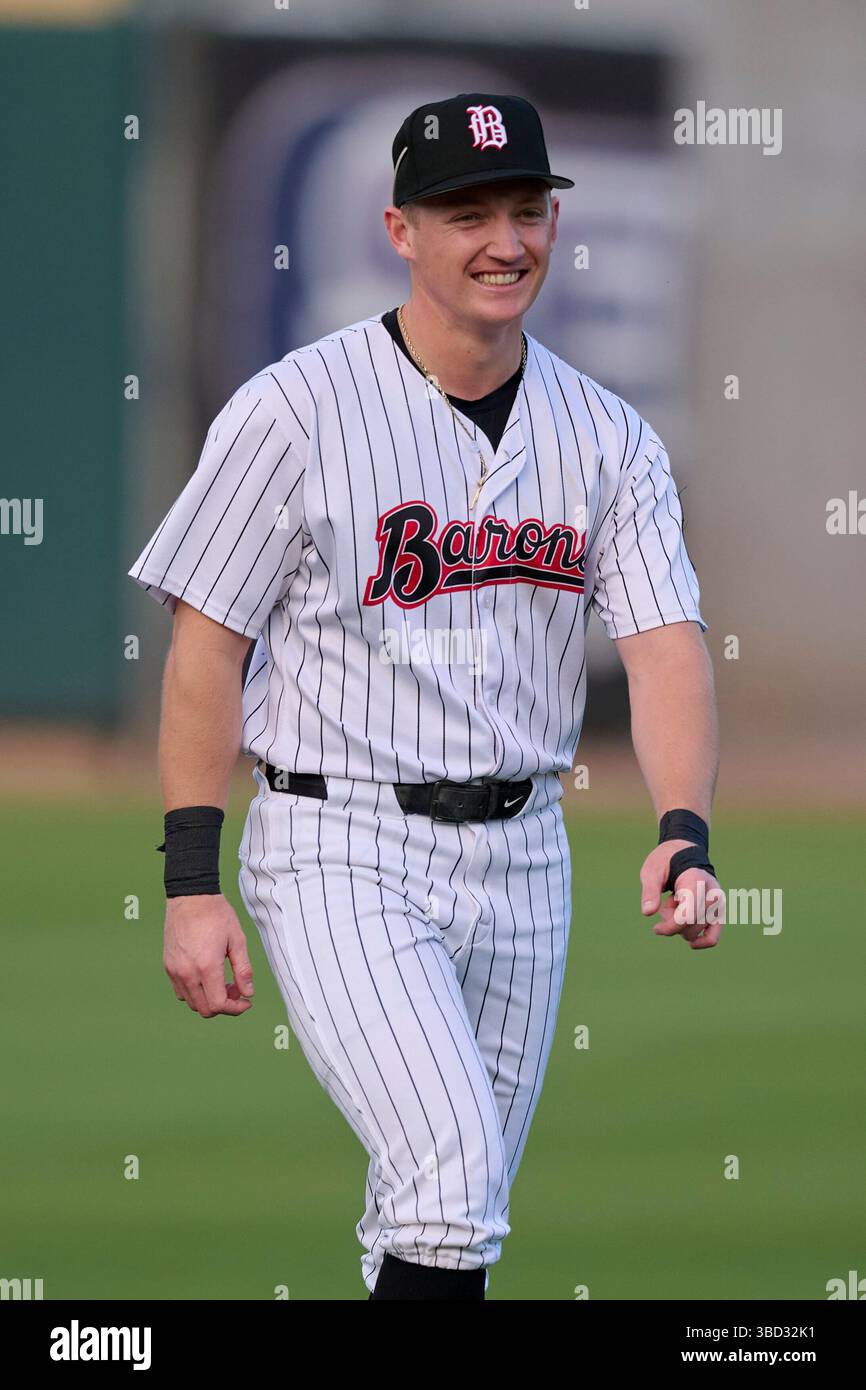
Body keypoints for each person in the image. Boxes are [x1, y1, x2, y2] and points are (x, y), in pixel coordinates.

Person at [129, 92, 722, 1301]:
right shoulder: (293, 410)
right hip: (337, 839)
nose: (503, 239)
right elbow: (205, 648)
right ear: (398, 229)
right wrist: (192, 884)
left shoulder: (608, 436)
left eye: (525, 208)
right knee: (449, 1179)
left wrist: (681, 827)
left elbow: (664, 643)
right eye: (466, 213)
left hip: (525, 855)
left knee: (446, 1220)